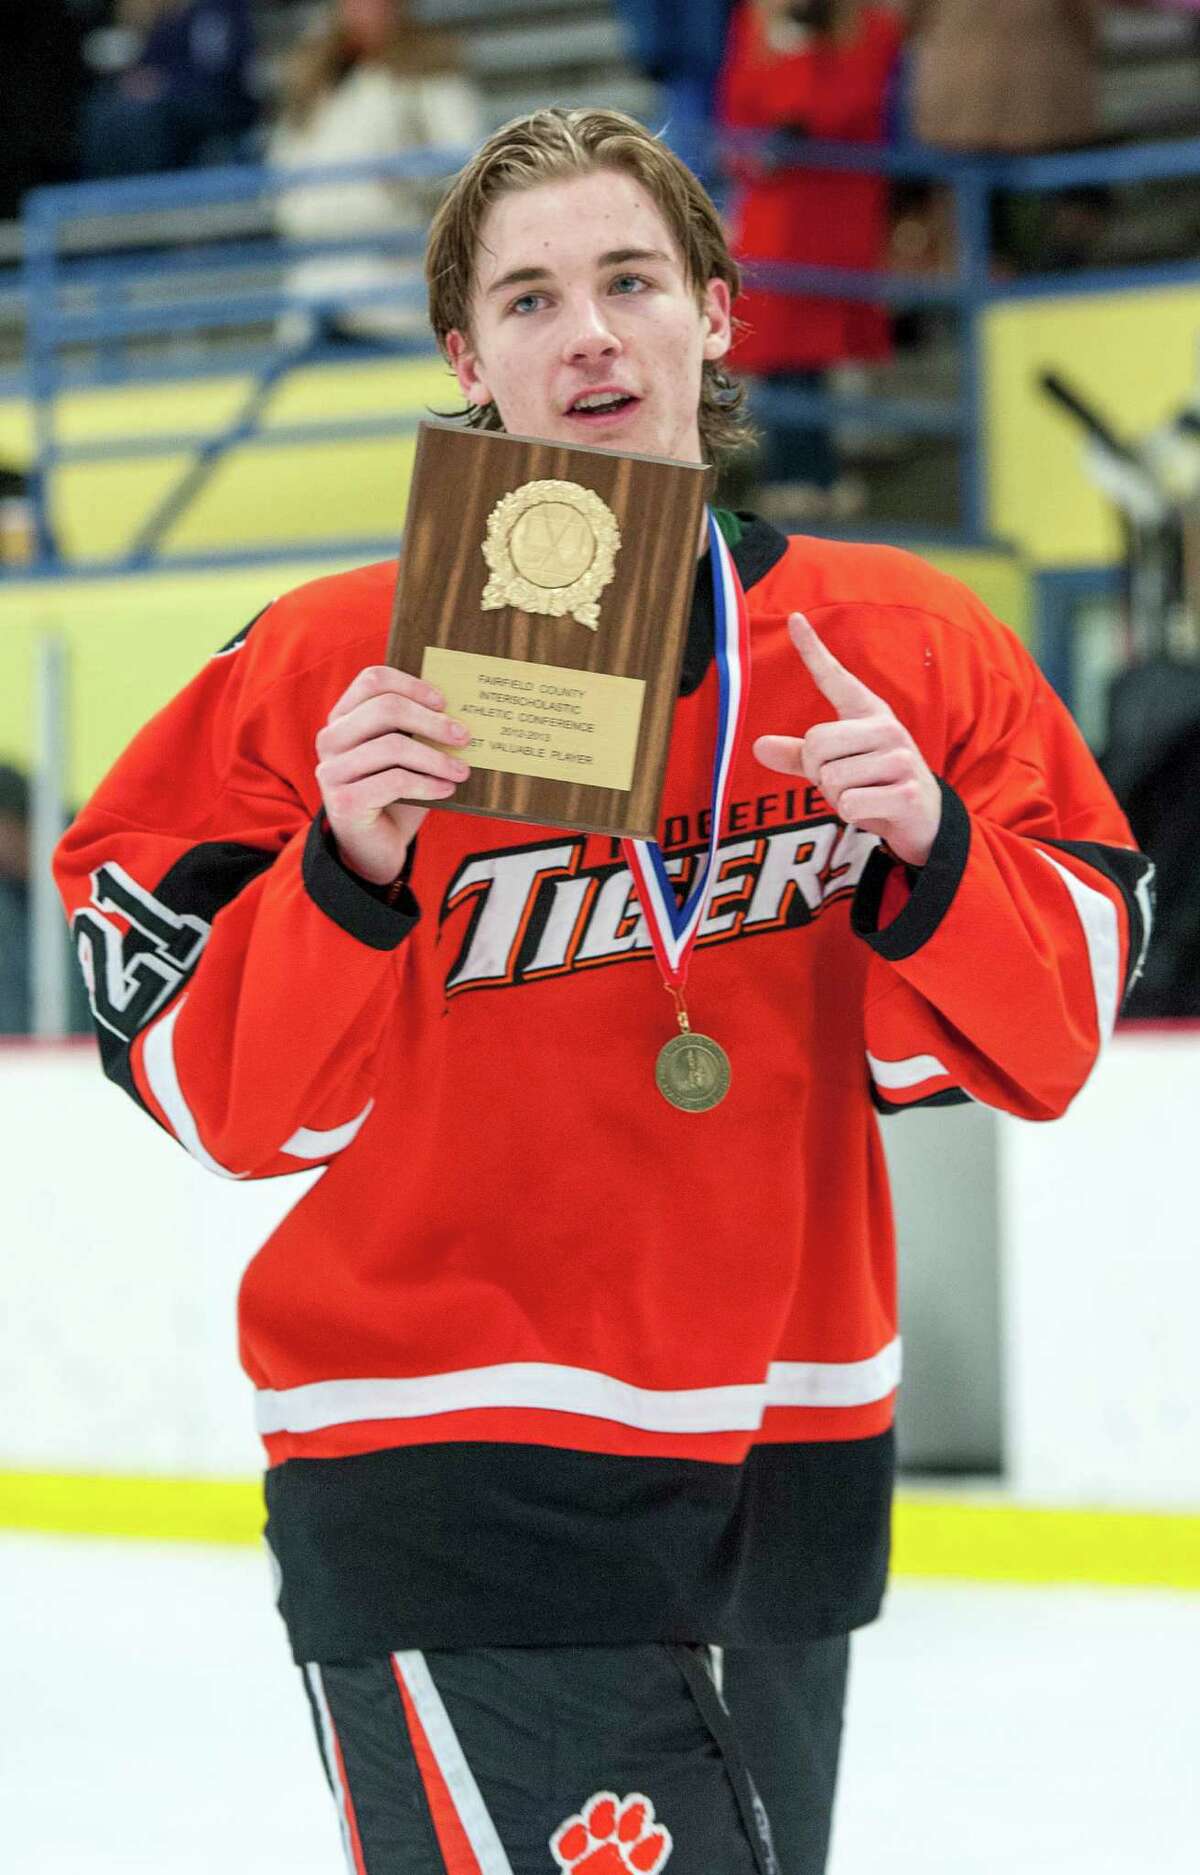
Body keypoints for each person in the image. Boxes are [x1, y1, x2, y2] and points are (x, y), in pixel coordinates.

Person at [54, 106, 1154, 1875]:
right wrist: (345, 869)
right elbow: (227, 1104)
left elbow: (1048, 1038)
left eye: (631, 279)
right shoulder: (337, 664)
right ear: (462, 356)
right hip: (446, 1453)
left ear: (718, 314)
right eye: (531, 296)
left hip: (787, 1462)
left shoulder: (908, 646)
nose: (588, 333)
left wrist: (931, 856)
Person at [717, 0, 903, 515]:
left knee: (813, 354)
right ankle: (796, 474)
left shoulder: (868, 23)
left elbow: (843, 109)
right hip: (774, 219)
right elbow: (740, 114)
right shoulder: (754, 19)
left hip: (834, 219)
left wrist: (799, 56)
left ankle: (815, 473)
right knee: (781, 355)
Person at [268, 0, 482, 346]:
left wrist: (409, 181)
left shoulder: (428, 74)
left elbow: (463, 159)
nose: (362, 10)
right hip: (315, 274)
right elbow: (285, 165)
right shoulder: (318, 82)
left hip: (391, 271)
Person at [80, 0, 256, 179]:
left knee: (139, 116)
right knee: (105, 110)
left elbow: (219, 71)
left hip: (216, 103)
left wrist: (165, 86)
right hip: (170, 100)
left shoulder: (222, 9)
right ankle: (103, 194)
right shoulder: (171, 15)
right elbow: (150, 61)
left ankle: (146, 190)